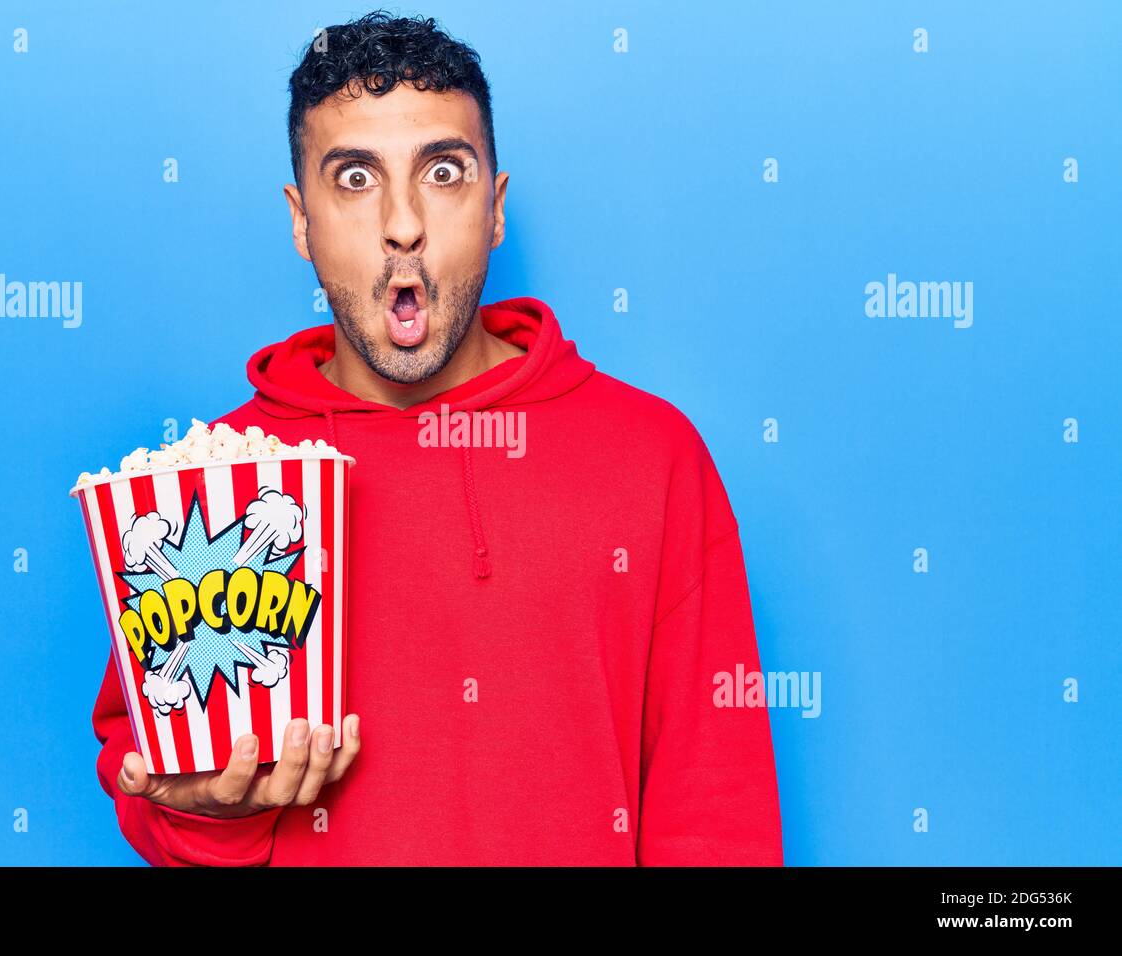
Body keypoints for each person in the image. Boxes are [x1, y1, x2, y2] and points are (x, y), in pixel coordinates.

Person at [92, 9, 784, 866]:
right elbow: (158, 788)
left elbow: (715, 811)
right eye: (354, 179)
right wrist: (212, 816)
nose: (404, 224)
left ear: (495, 207)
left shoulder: (651, 455)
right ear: (300, 220)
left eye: (443, 171)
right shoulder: (216, 485)